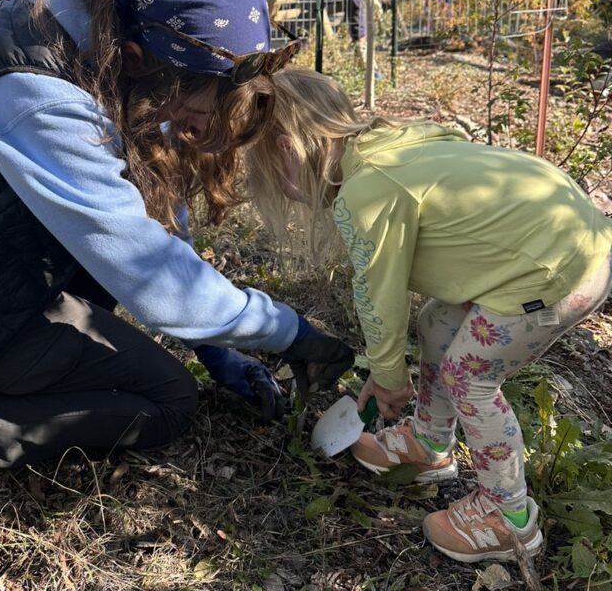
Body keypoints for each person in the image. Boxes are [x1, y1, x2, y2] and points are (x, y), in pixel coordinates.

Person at [0, 0, 355, 540]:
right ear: (143, 59)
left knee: (139, 369)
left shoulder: (108, 36)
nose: (195, 128)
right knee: (166, 401)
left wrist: (218, 350)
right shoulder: (39, 92)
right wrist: (290, 333)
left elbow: (152, 221)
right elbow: (154, 278)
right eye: (199, 104)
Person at [245, 67, 612, 563]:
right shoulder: (390, 143)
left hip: (553, 272)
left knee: (470, 379)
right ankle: (429, 442)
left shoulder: (366, 191)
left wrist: (388, 377)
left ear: (289, 148)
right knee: (436, 324)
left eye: (268, 169)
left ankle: (510, 517)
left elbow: (380, 297)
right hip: (567, 244)